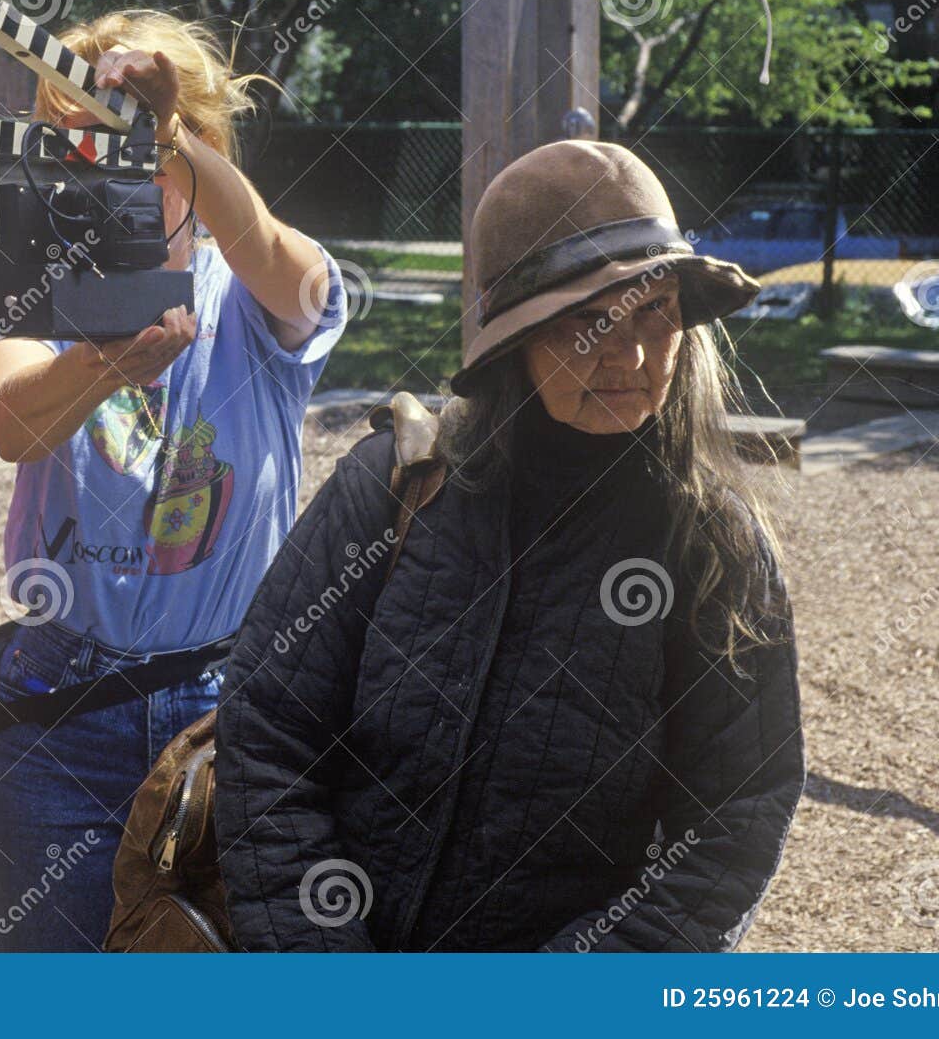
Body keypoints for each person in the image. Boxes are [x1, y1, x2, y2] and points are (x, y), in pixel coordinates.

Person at [216, 140, 805, 951]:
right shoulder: (394, 486)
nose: (632, 355)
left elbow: (738, 814)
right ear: (513, 342)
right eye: (588, 320)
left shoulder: (713, 546)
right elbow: (267, 728)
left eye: (656, 310)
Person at [0, 9, 348, 950]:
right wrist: (101, 366)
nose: (101, 165)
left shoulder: (248, 294)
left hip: (229, 702)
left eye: (127, 143)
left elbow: (283, 264)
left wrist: (166, 136)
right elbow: (12, 425)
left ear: (204, 147)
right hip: (59, 709)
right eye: (74, 140)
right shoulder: (37, 290)